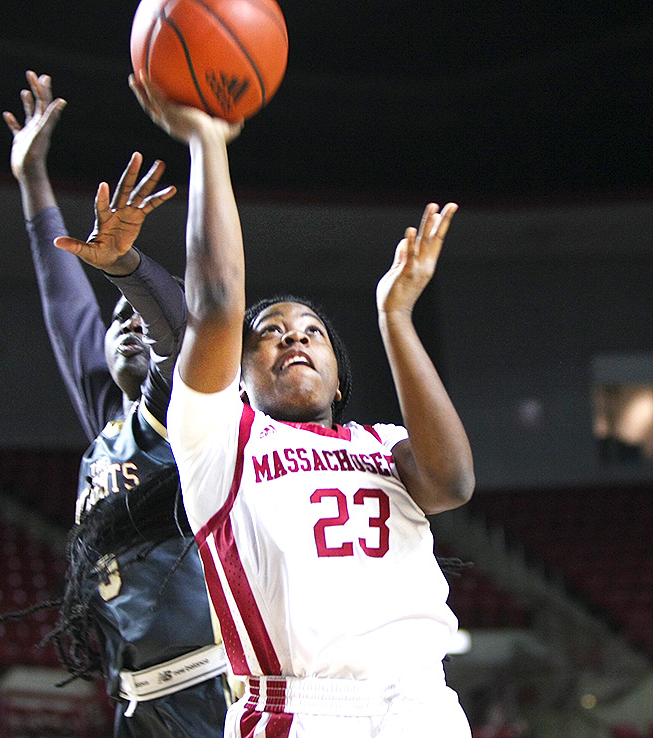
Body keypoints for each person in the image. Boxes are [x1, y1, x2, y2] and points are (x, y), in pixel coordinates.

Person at [130, 71, 476, 738]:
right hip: (302, 710)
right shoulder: (219, 440)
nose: (294, 337)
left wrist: (395, 317)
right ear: (238, 375)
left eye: (313, 331)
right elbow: (218, 303)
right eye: (271, 332)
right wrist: (208, 143)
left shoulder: (383, 445)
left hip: (424, 707)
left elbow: (454, 482)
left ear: (339, 381)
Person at [2, 70, 229, 738]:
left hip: (214, 685)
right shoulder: (111, 422)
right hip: (137, 702)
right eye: (117, 313)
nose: (127, 319)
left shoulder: (186, 414)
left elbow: (179, 331)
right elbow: (65, 304)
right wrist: (32, 179)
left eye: (141, 313)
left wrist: (127, 269)